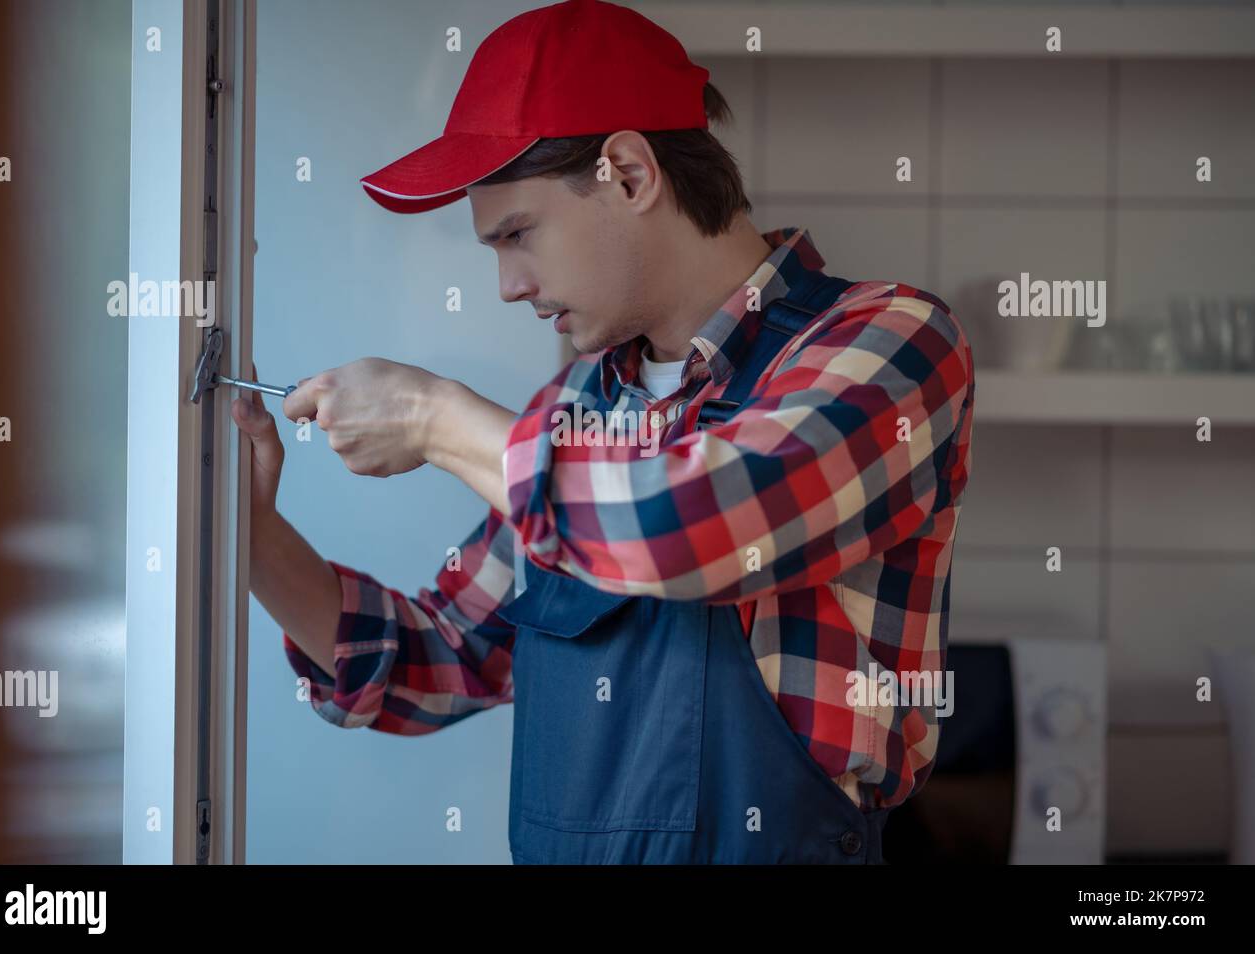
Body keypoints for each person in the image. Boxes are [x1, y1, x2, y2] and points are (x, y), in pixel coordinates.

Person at [232, 0, 975, 864]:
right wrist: (251, 536)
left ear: (628, 173)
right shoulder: (573, 406)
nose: (509, 285)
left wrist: (437, 421)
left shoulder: (890, 342)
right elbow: (432, 658)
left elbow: (692, 525)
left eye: (517, 235)